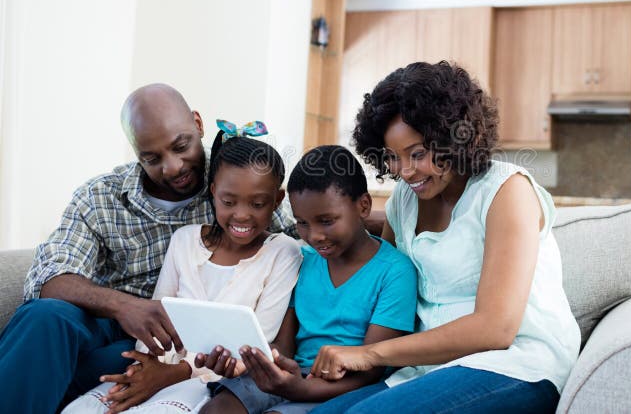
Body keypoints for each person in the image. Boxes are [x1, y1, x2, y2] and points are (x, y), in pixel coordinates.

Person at [0, 84, 297, 414]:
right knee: (43, 317)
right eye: (151, 158)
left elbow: (304, 238)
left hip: (171, 348)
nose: (173, 167)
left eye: (181, 146)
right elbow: (48, 278)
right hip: (104, 326)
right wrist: (125, 306)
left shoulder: (238, 182)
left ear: (198, 124)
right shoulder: (100, 197)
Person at [308, 61, 581, 413]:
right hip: (428, 369)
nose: (405, 171)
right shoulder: (404, 200)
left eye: (418, 154)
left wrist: (370, 354)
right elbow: (382, 275)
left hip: (515, 364)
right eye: (392, 157)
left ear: (453, 139)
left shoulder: (505, 191)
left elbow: (496, 329)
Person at [63, 124, 303, 413]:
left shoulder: (284, 253)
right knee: (84, 409)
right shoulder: (184, 241)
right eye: (228, 202)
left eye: (258, 203)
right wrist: (147, 370)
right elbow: (157, 318)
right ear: (213, 193)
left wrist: (176, 373)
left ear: (277, 201)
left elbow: (254, 346)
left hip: (214, 384)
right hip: (158, 369)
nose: (242, 214)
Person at [197, 145, 418, 414]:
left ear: (363, 206)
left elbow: (371, 369)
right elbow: (285, 345)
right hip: (292, 375)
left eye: (326, 220)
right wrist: (262, 363)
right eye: (302, 222)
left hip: (346, 388)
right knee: (217, 410)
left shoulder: (395, 272)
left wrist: (300, 389)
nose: (314, 236)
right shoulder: (303, 259)